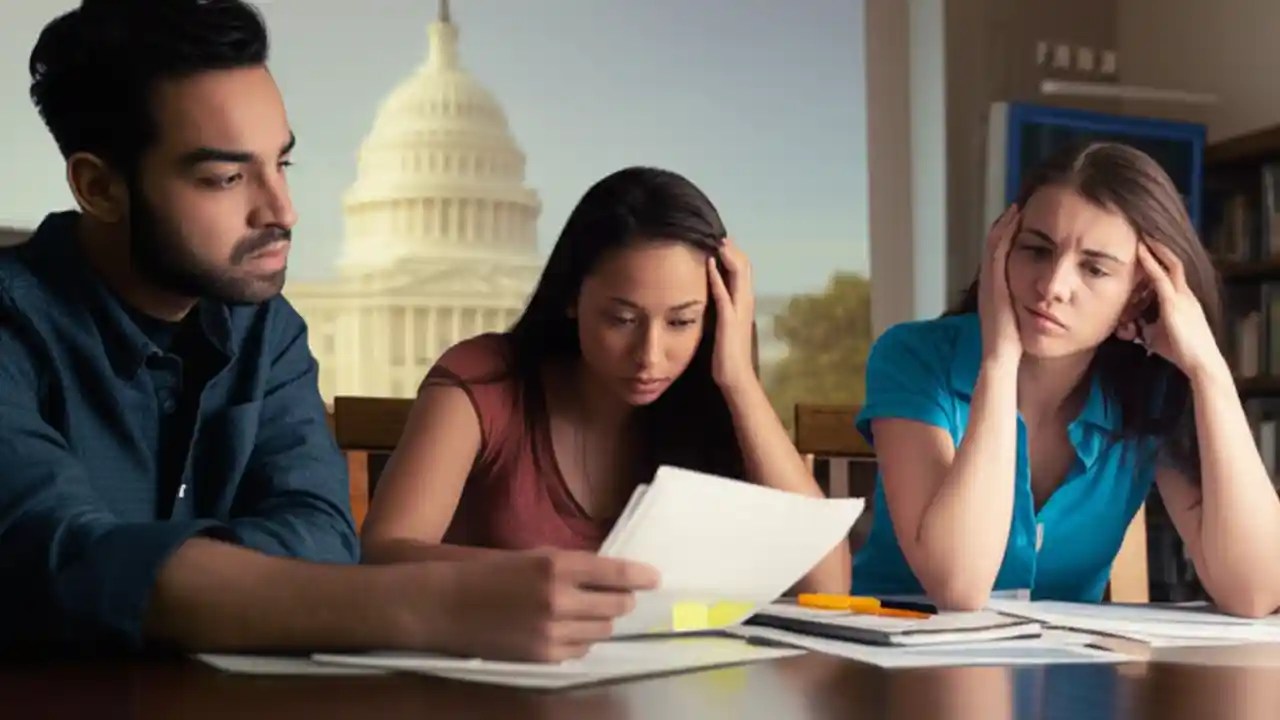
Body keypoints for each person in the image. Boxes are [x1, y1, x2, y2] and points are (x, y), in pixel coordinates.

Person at [1, 0, 658, 662]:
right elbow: (52, 556)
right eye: (226, 177)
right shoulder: (14, 326)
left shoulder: (267, 330)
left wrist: (184, 586)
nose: (283, 210)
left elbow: (321, 537)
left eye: (280, 164)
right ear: (99, 187)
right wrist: (437, 607)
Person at [360, 166, 851, 594]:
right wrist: (545, 576)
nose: (650, 356)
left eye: (681, 322)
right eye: (621, 319)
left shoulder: (709, 404)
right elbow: (383, 555)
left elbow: (827, 586)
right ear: (572, 297)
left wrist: (739, 378)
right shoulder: (485, 381)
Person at [853, 142, 1280, 617]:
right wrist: (999, 360)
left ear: (1141, 294)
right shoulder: (915, 356)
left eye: (1095, 268)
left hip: (1065, 674)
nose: (1053, 286)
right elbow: (959, 586)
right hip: (898, 669)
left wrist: (1208, 371)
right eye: (1036, 250)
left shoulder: (1148, 389)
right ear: (1001, 250)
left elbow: (1256, 592)